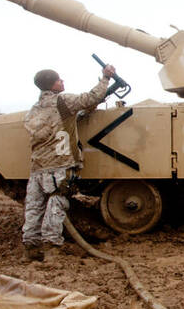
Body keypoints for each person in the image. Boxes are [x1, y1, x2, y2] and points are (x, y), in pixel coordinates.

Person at [22, 65, 115, 260]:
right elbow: (90, 97)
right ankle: (51, 246)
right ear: (53, 84)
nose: (62, 81)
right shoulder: (63, 101)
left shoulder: (34, 109)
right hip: (59, 164)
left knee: (34, 207)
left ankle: (30, 247)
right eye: (59, 79)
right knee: (57, 203)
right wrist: (106, 78)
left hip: (38, 166)